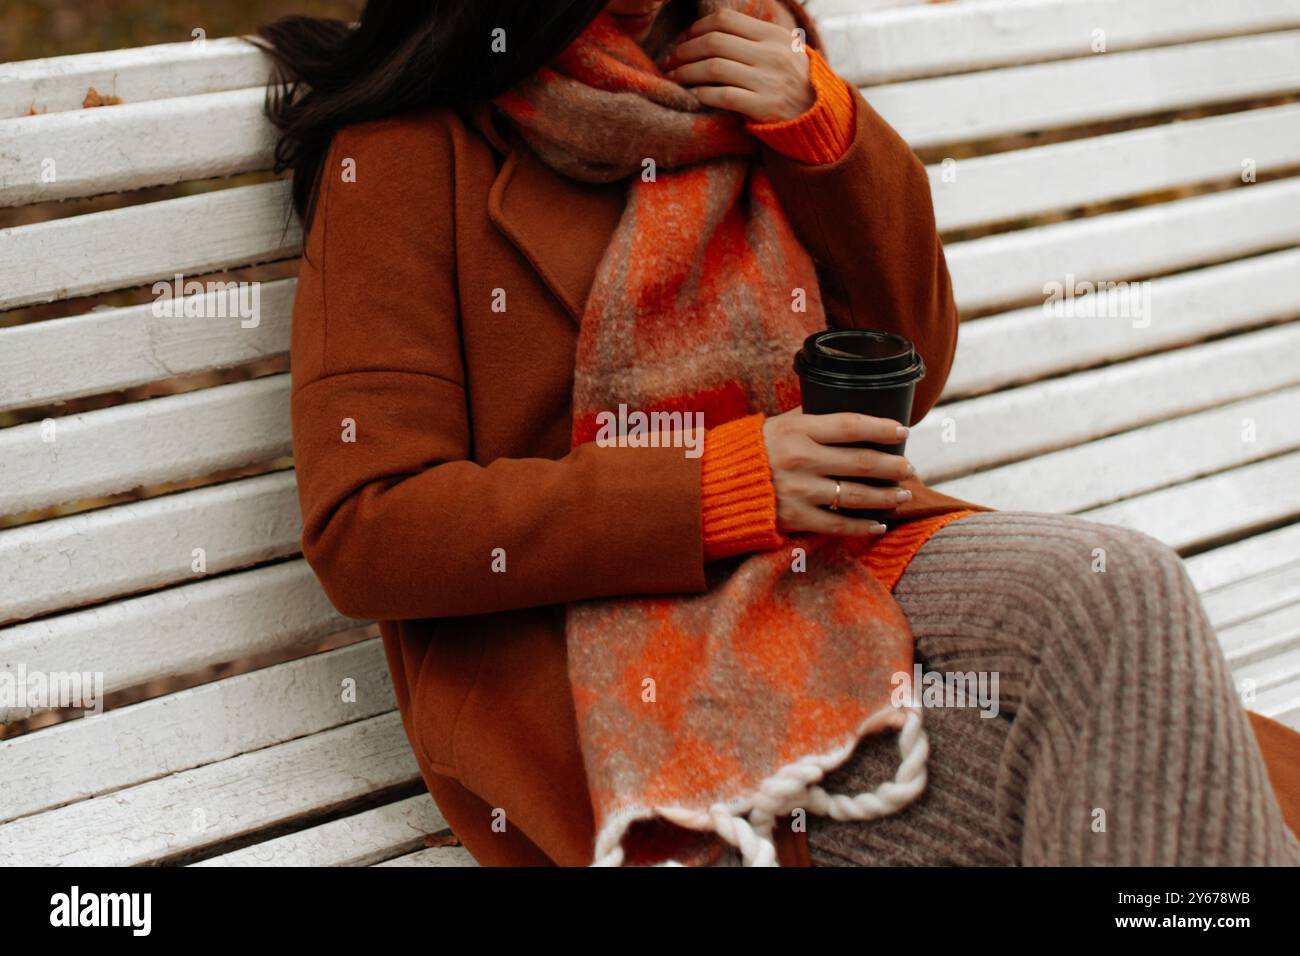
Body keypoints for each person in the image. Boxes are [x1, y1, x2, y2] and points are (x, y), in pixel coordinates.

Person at [258, 0, 1300, 865]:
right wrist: (714, 487)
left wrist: (822, 132)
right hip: (603, 668)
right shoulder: (402, 152)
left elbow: (913, 366)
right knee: (1130, 785)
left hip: (834, 567)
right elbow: (370, 523)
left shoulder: (733, 61)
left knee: (1117, 588)